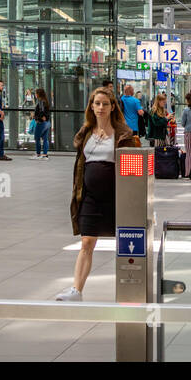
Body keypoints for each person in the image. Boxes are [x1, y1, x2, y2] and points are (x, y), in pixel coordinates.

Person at [55, 87, 139, 301]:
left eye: (105, 104)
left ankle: (129, 289)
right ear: (91, 107)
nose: (101, 108)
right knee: (86, 242)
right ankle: (77, 290)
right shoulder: (85, 133)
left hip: (116, 197)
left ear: (112, 107)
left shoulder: (123, 134)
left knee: (125, 243)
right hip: (90, 197)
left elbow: (133, 167)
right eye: (97, 103)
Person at [31, 88, 52, 159]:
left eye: (36, 93)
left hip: (41, 123)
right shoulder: (45, 101)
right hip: (47, 123)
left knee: (37, 138)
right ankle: (45, 154)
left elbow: (41, 111)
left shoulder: (40, 101)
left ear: (38, 94)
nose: (35, 95)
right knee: (45, 139)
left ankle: (38, 154)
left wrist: (37, 118)